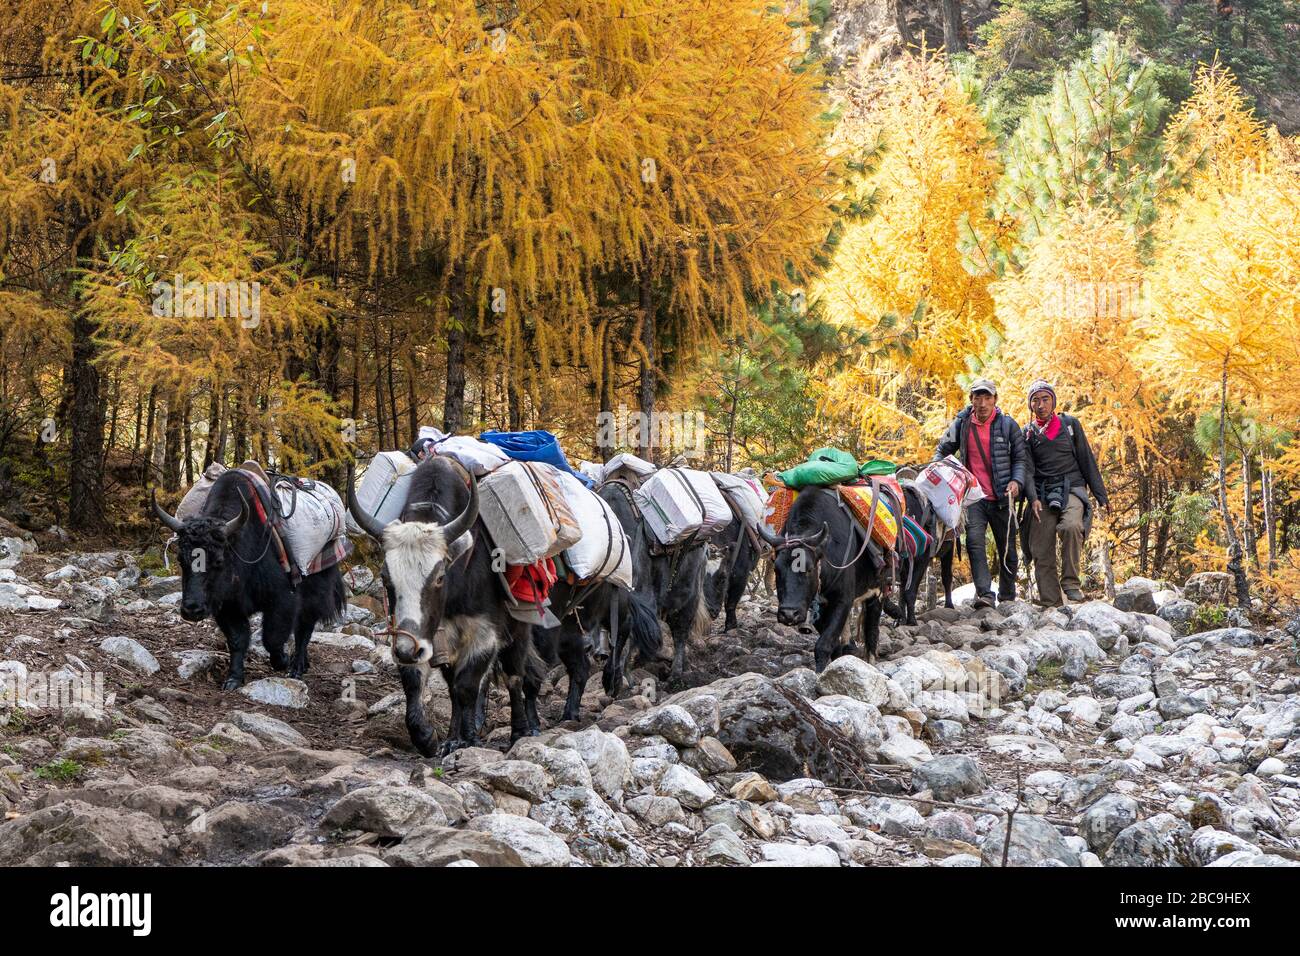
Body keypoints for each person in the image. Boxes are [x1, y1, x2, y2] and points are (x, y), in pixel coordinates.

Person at [933, 378, 1028, 609]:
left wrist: (1016, 481)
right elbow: (943, 450)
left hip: (1003, 496)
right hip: (974, 498)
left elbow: (1020, 459)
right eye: (978, 398)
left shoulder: (1008, 425)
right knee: (974, 543)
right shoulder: (962, 423)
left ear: (995, 400)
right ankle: (985, 594)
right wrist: (935, 476)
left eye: (987, 398)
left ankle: (1007, 595)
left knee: (1007, 550)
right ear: (971, 400)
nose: (983, 403)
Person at [1022, 380, 1109, 606]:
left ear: (1053, 401)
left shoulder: (1070, 425)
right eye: (1035, 400)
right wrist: (1032, 499)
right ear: (1030, 405)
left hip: (1072, 487)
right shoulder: (1028, 434)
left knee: (1071, 526)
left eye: (1045, 399)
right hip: (1042, 492)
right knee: (1041, 544)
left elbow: (1086, 459)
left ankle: (1071, 583)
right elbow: (1028, 471)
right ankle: (1050, 600)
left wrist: (1101, 495)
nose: (1040, 405)